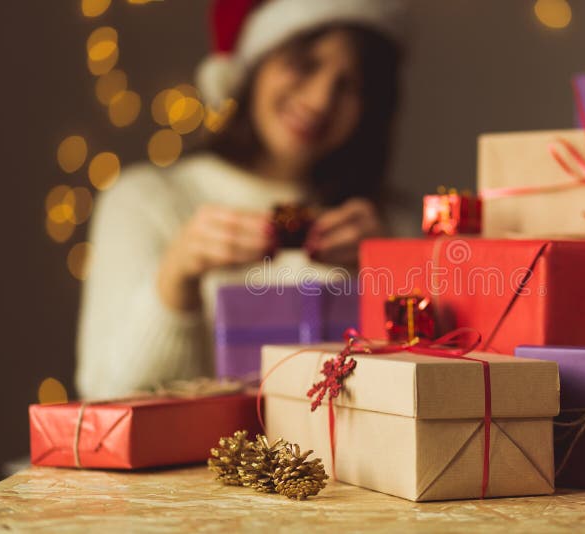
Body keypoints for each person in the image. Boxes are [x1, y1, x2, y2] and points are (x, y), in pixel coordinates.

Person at [76, 0, 406, 399]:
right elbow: (106, 396)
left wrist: (396, 270)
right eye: (305, 64)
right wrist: (175, 278)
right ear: (257, 62)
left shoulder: (391, 224)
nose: (320, 100)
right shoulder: (145, 200)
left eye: (351, 85)